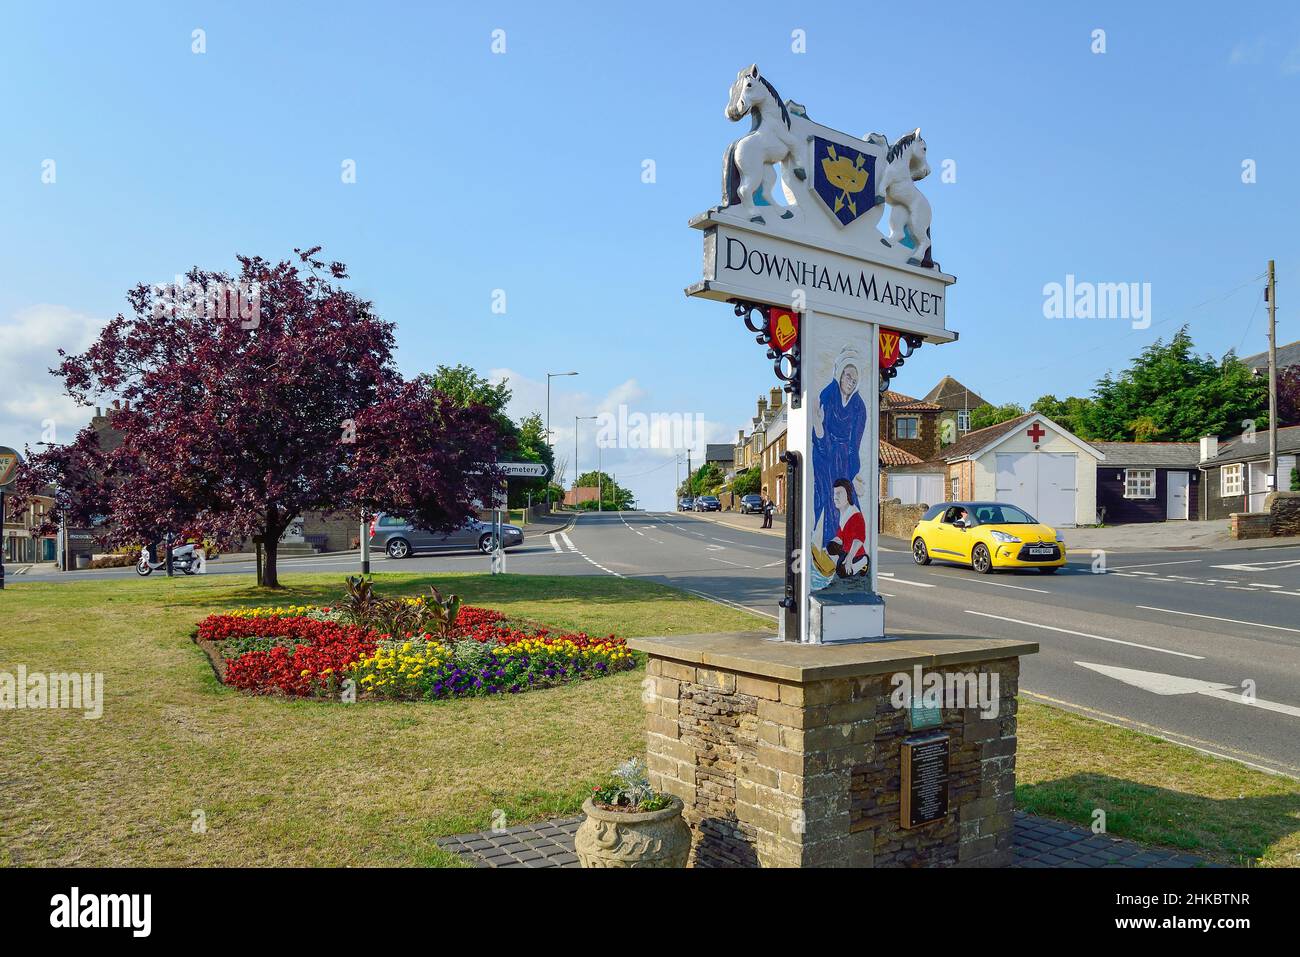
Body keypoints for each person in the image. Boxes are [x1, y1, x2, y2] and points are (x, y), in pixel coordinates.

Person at [811, 347, 867, 548]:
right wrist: (818, 426)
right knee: (827, 495)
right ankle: (826, 544)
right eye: (848, 375)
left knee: (847, 499)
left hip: (844, 458)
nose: (851, 381)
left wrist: (853, 472)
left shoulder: (859, 407)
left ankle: (850, 547)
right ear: (840, 374)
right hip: (823, 455)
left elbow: (855, 446)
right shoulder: (827, 395)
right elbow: (820, 442)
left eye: (855, 378)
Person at [825, 479, 869, 577]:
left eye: (839, 493)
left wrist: (849, 559)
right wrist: (827, 549)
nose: (835, 498)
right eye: (835, 494)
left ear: (848, 495)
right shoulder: (843, 512)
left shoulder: (855, 515)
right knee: (830, 546)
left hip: (856, 553)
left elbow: (859, 539)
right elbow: (840, 536)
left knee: (842, 572)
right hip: (845, 549)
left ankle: (864, 561)